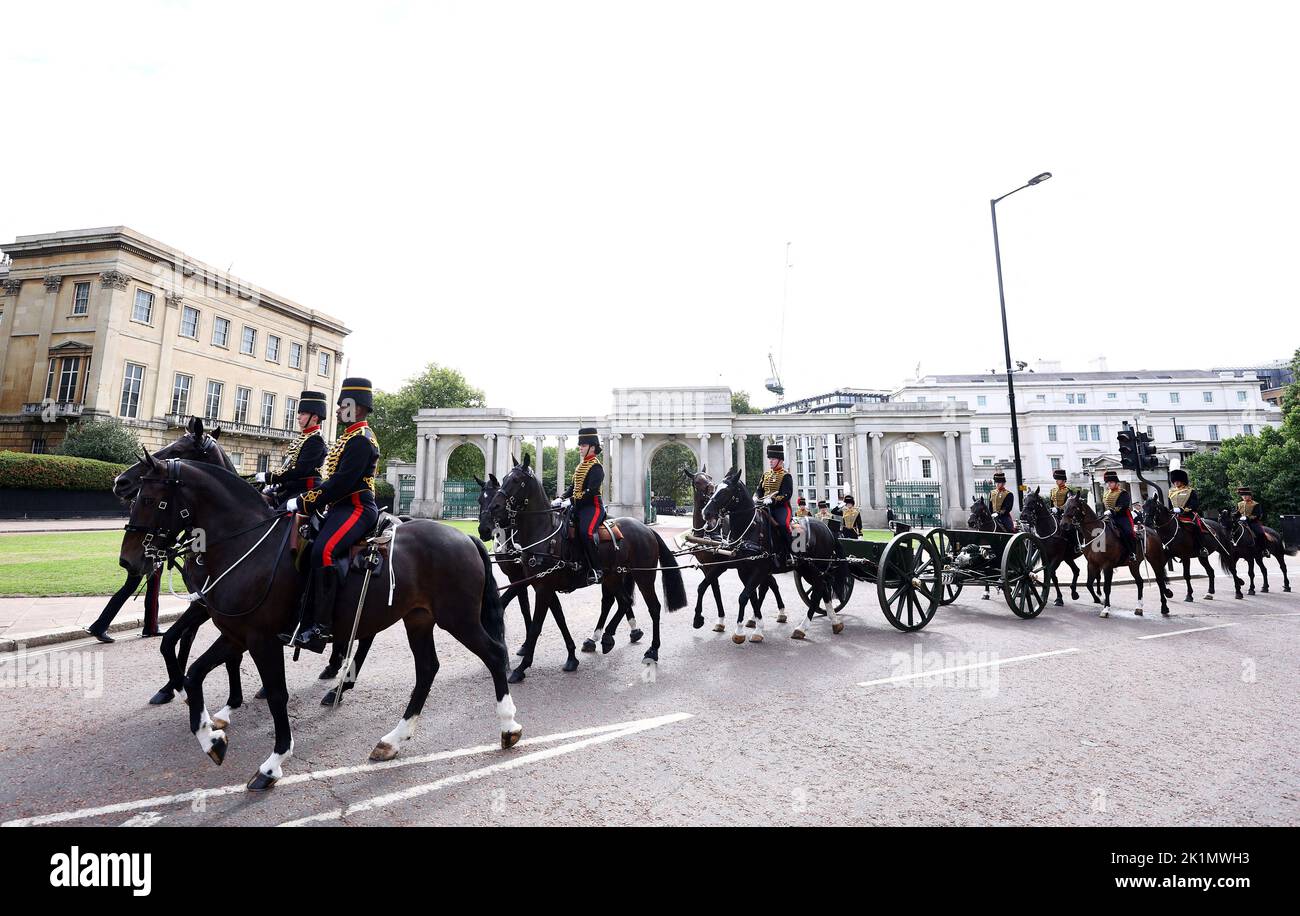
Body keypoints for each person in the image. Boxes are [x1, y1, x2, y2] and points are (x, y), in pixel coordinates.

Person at [280, 378, 380, 652]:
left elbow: (341, 483)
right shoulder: (347, 438)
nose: (336, 410)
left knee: (322, 551)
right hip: (339, 507)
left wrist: (303, 500)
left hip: (356, 506)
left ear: (356, 407)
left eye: (342, 405)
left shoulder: (361, 440)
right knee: (306, 545)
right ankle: (301, 614)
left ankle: (322, 627)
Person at [254, 389, 328, 501]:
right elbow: (288, 467)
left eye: (303, 414)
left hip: (305, 491)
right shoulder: (303, 438)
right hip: (291, 488)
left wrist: (269, 477)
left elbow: (299, 471)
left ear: (314, 417)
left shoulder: (315, 440)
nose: (298, 417)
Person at [555, 426, 605, 585]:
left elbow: (591, 492)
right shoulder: (579, 467)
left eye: (583, 445)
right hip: (577, 507)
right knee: (562, 530)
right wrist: (561, 498)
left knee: (586, 532)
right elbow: (573, 488)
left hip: (592, 507)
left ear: (592, 447)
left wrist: (571, 500)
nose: (580, 448)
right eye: (580, 445)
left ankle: (597, 569)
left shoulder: (596, 467)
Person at [86, 568, 160, 643]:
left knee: (128, 588)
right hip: (152, 560)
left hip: (136, 560)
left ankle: (99, 627)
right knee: (153, 589)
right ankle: (151, 628)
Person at [754, 443, 794, 564]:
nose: (770, 461)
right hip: (764, 507)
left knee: (783, 525)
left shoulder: (786, 476)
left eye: (773, 459)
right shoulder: (766, 475)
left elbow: (787, 495)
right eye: (770, 459)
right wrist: (756, 496)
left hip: (780, 508)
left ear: (780, 461)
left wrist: (773, 499)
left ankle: (790, 553)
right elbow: (759, 489)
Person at [1168, 468, 1211, 557]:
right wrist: (1171, 510)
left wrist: (1184, 510)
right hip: (1175, 515)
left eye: (1178, 481)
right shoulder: (1171, 491)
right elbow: (1170, 504)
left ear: (1182, 481)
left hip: (1188, 514)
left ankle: (1202, 547)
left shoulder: (1190, 491)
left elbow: (1195, 503)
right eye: (1175, 481)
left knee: (1196, 527)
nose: (1176, 482)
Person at [1101, 470, 1138, 562]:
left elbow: (1123, 506)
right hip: (1108, 517)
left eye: (1111, 482)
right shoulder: (1106, 493)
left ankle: (1132, 552)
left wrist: (1112, 511)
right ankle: (1098, 552)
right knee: (1097, 530)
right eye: (1107, 483)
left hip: (1121, 517)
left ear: (1116, 482)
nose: (1109, 484)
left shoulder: (1123, 493)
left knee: (1128, 532)